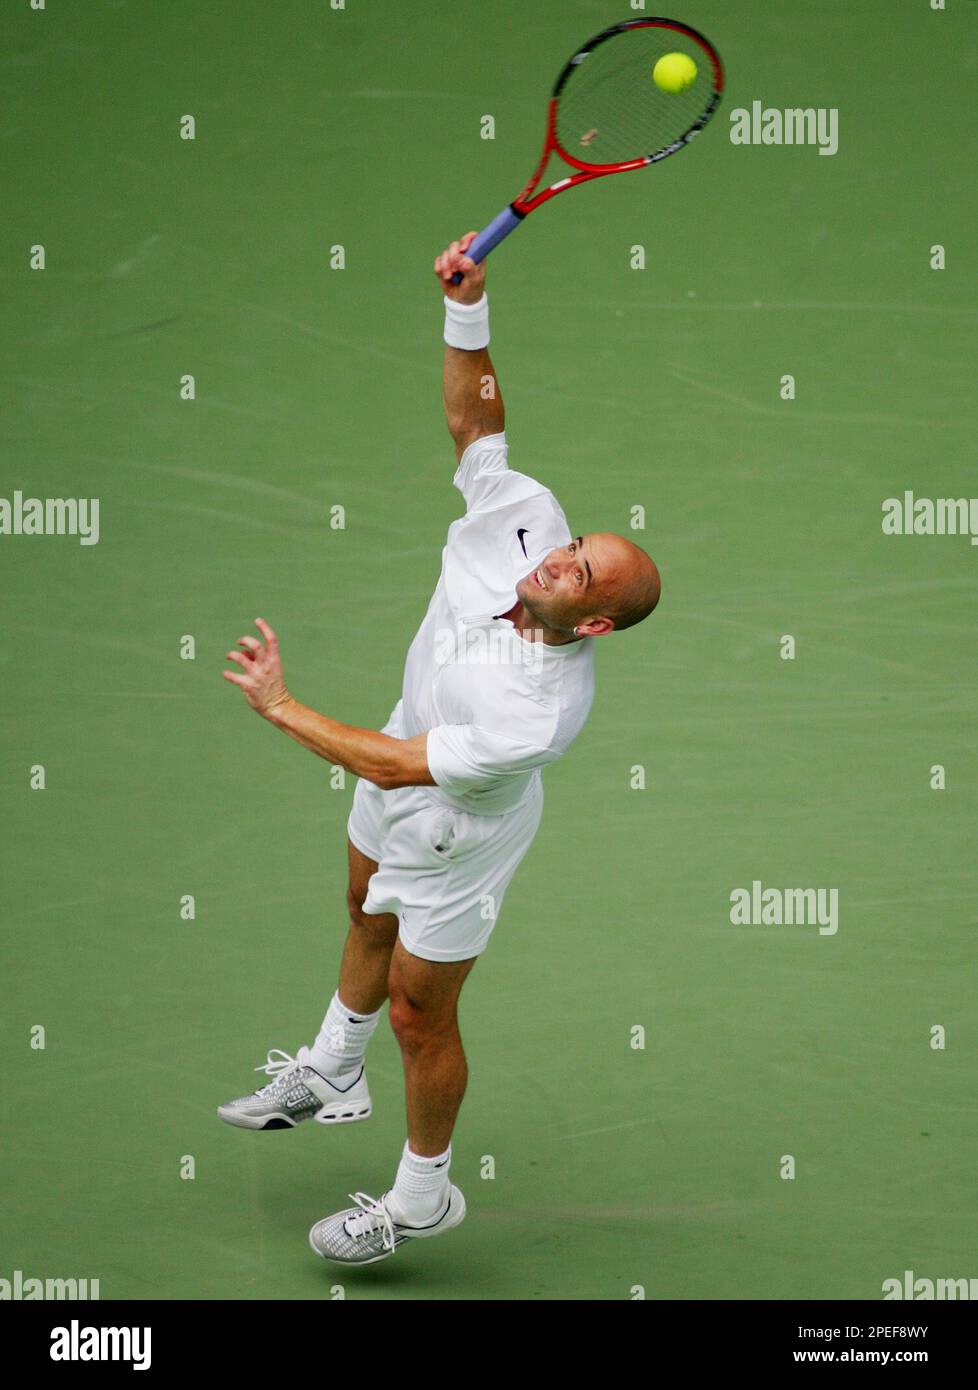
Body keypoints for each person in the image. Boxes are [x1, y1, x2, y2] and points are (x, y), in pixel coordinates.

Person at [218, 232, 661, 1266]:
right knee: (360, 899)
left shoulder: (536, 714)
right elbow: (478, 429)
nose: (559, 555)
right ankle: (333, 1063)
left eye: (581, 572)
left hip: (459, 825)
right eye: (574, 544)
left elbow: (390, 766)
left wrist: (282, 706)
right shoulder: (526, 521)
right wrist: (470, 307)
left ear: (593, 623)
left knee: (422, 1010)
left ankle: (421, 1196)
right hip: (403, 742)